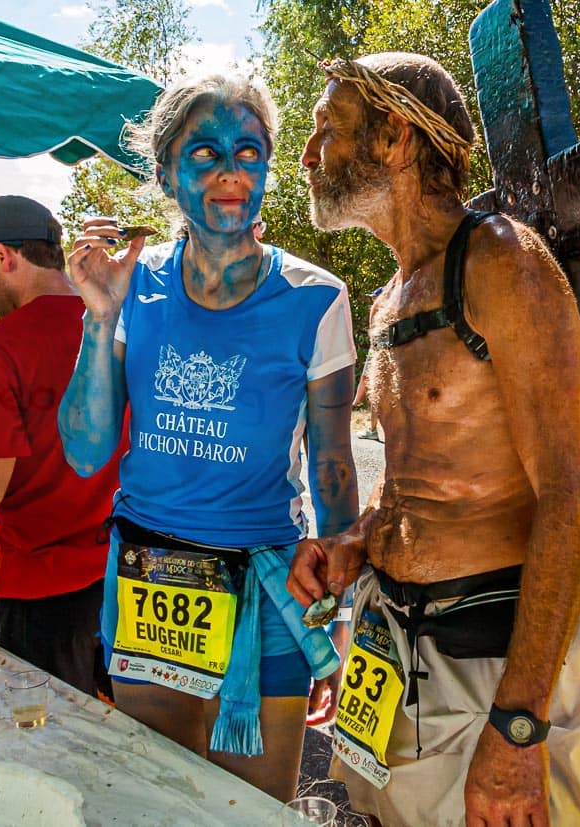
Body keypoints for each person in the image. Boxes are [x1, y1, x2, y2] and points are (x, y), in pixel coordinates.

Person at [289, 53, 580, 826]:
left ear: (395, 137)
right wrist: (355, 543)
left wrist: (519, 725)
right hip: (394, 647)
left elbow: (573, 498)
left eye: (329, 129)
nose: (307, 155)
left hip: (491, 662)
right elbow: (414, 483)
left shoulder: (502, 262)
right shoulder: (393, 294)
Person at [58, 73, 358, 802]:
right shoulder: (135, 285)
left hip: (272, 588)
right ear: (164, 172)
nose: (230, 171)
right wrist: (99, 317)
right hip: (151, 578)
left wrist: (343, 611)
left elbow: (332, 468)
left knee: (251, 812)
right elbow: (87, 450)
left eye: (249, 151)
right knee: (155, 802)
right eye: (204, 153)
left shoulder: (317, 298)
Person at [0, 195, 125, 699]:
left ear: (3, 256)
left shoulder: (5, 344)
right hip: (129, 577)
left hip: (43, 590)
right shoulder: (123, 321)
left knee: (46, 747)